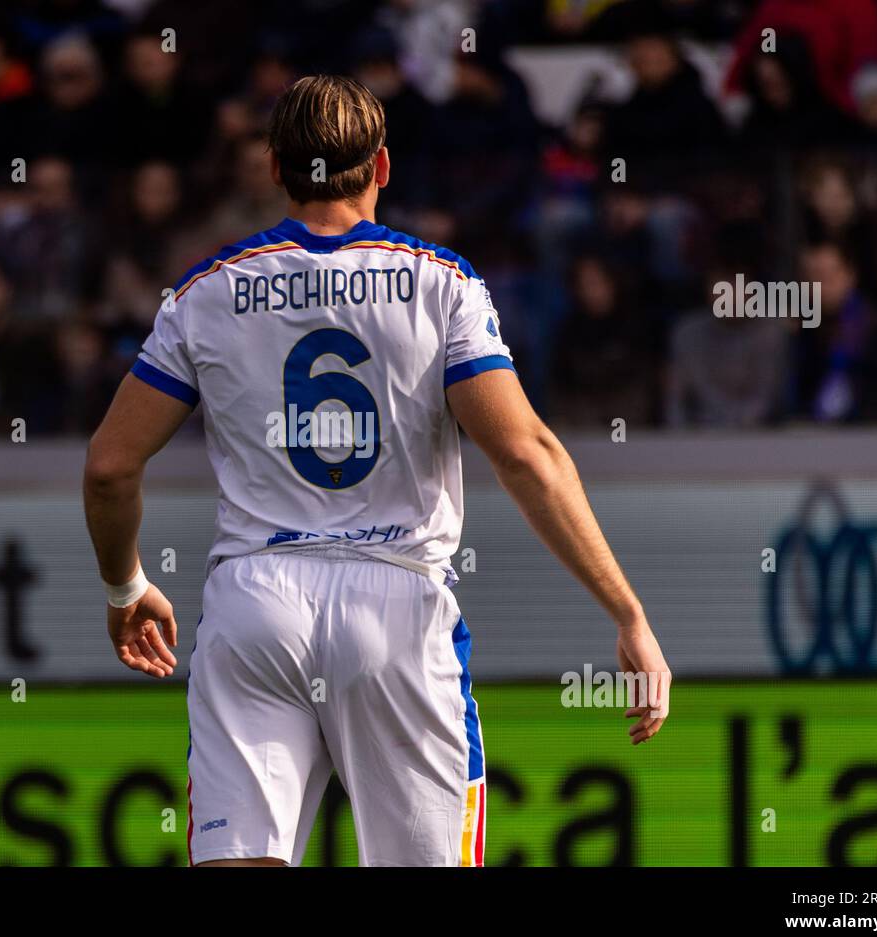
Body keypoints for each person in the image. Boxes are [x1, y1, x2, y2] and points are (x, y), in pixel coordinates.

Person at [82, 75, 670, 868]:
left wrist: (124, 589)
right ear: (383, 167)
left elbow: (111, 467)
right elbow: (526, 452)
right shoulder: (441, 284)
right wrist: (627, 612)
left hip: (255, 602)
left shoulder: (205, 292)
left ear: (274, 167)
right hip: (396, 604)